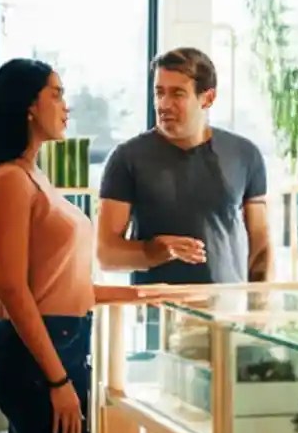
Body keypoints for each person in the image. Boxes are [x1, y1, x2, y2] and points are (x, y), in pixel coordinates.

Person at [0, 58, 200, 433]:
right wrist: (57, 380)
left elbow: (64, 287)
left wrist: (140, 295)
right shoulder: (9, 180)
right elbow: (11, 289)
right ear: (30, 106)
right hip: (36, 358)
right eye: (56, 93)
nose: (65, 104)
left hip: (59, 345)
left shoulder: (35, 176)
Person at [97, 46, 272, 285]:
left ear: (207, 98)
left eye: (177, 94)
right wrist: (153, 252)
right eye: (159, 93)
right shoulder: (126, 158)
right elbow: (106, 254)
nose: (164, 104)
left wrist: (259, 310)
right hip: (157, 313)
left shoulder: (245, 155)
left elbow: (260, 248)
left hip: (225, 311)